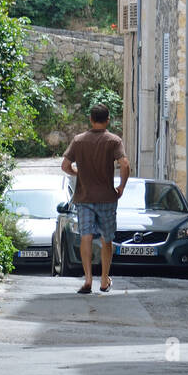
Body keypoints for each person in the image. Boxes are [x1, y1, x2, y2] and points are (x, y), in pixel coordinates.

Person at [60, 104, 130, 294]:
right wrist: (121, 186)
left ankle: (88, 279)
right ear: (108, 120)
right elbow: (124, 163)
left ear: (90, 119)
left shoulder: (79, 140)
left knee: (86, 237)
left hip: (84, 198)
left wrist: (76, 173)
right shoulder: (114, 141)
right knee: (107, 239)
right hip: (107, 198)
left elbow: (65, 165)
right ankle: (105, 280)